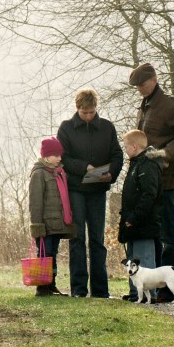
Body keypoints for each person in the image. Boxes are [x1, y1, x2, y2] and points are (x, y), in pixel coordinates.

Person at [129, 62, 174, 280]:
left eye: (142, 84)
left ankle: (170, 290)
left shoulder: (169, 105)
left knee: (167, 236)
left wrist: (166, 153)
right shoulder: (146, 105)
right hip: (148, 181)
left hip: (166, 180)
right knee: (155, 235)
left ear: (154, 80)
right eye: (137, 86)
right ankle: (156, 286)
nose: (140, 88)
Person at [56, 87, 123, 298]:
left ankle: (101, 291)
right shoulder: (66, 128)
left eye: (91, 112)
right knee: (77, 239)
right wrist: (84, 166)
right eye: (84, 112)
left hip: (98, 190)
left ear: (96, 108)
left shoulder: (107, 128)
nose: (88, 116)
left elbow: (117, 155)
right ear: (77, 108)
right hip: (76, 189)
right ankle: (78, 289)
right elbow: (63, 159)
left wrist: (111, 173)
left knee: (97, 239)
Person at [117, 129, 164, 301]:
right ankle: (135, 293)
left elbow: (149, 196)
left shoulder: (148, 166)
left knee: (144, 259)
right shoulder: (136, 165)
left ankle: (148, 294)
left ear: (134, 146)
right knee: (133, 260)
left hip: (144, 223)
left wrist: (134, 218)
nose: (125, 149)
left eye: (126, 146)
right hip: (133, 224)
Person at [27, 137, 75, 296]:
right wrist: (37, 225)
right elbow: (35, 202)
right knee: (44, 255)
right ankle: (42, 287)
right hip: (45, 224)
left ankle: (51, 284)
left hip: (56, 224)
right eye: (55, 155)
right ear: (46, 156)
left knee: (52, 255)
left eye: (60, 155)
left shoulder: (59, 173)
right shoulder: (39, 173)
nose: (59, 158)